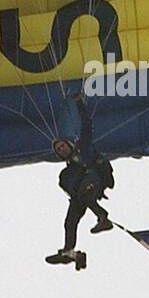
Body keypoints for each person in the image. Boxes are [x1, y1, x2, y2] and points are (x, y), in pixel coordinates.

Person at [45, 94, 114, 267]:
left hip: (93, 179)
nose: (61, 149)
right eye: (58, 150)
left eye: (62, 146)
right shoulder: (68, 172)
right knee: (70, 221)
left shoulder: (83, 147)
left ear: (69, 144)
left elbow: (86, 126)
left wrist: (79, 104)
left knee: (85, 195)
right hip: (81, 192)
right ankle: (70, 252)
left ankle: (103, 217)